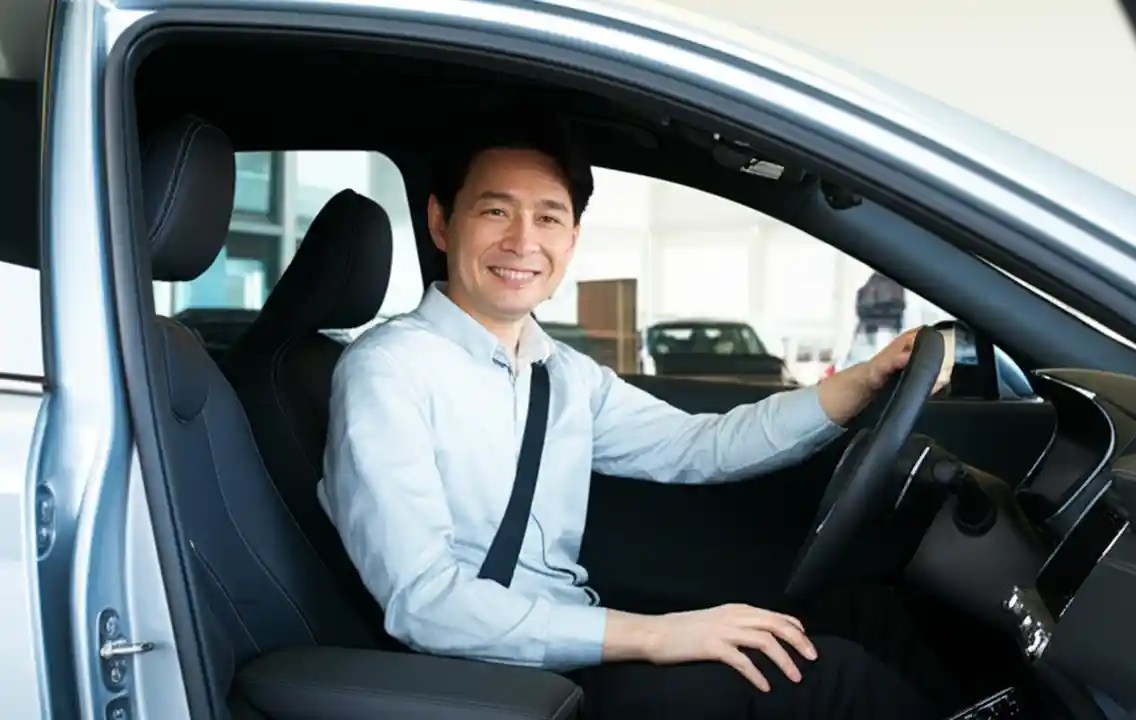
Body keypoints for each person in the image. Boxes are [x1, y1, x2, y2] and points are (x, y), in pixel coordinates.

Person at [319, 111, 944, 719]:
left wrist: (863, 382)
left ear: (572, 239)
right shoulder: (389, 371)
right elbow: (426, 603)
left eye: (548, 217)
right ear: (440, 222)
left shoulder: (559, 373)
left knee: (869, 615)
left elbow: (701, 446)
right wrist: (656, 636)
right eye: (495, 210)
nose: (522, 241)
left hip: (567, 649)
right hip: (493, 683)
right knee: (833, 682)